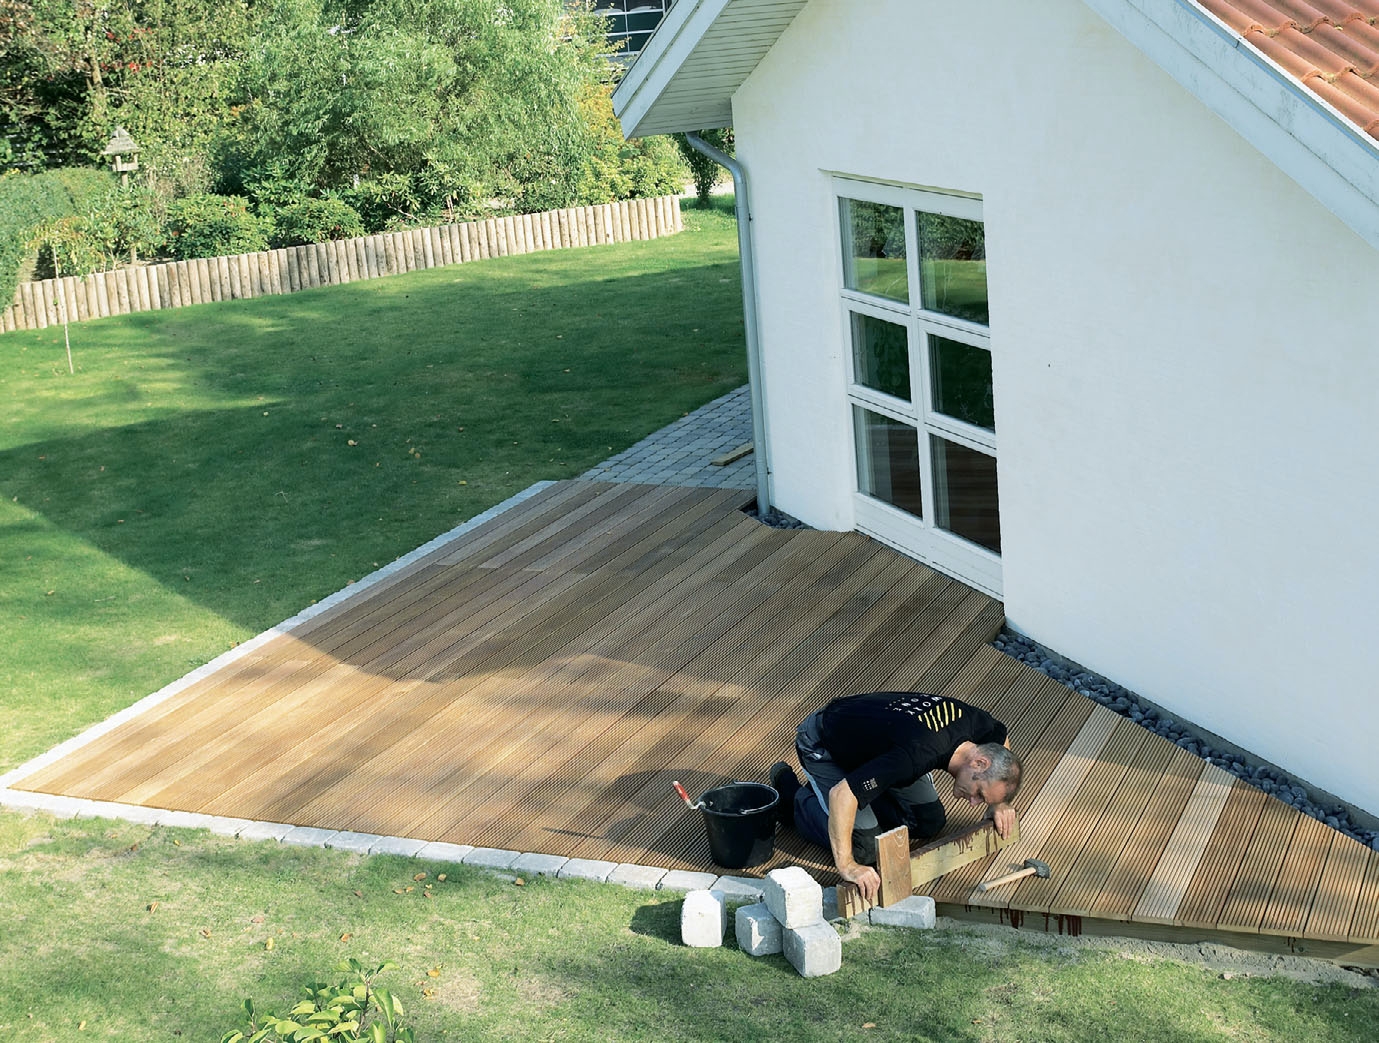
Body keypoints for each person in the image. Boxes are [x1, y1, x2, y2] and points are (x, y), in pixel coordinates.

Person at [771, 691, 1022, 903]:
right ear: (979, 762)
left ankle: (866, 787)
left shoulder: (977, 726)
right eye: (979, 793)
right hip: (825, 743)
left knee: (928, 822)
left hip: (880, 749)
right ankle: (792, 794)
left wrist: (998, 803)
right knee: (864, 848)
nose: (974, 803)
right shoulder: (914, 756)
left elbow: (1002, 737)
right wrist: (848, 866)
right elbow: (842, 794)